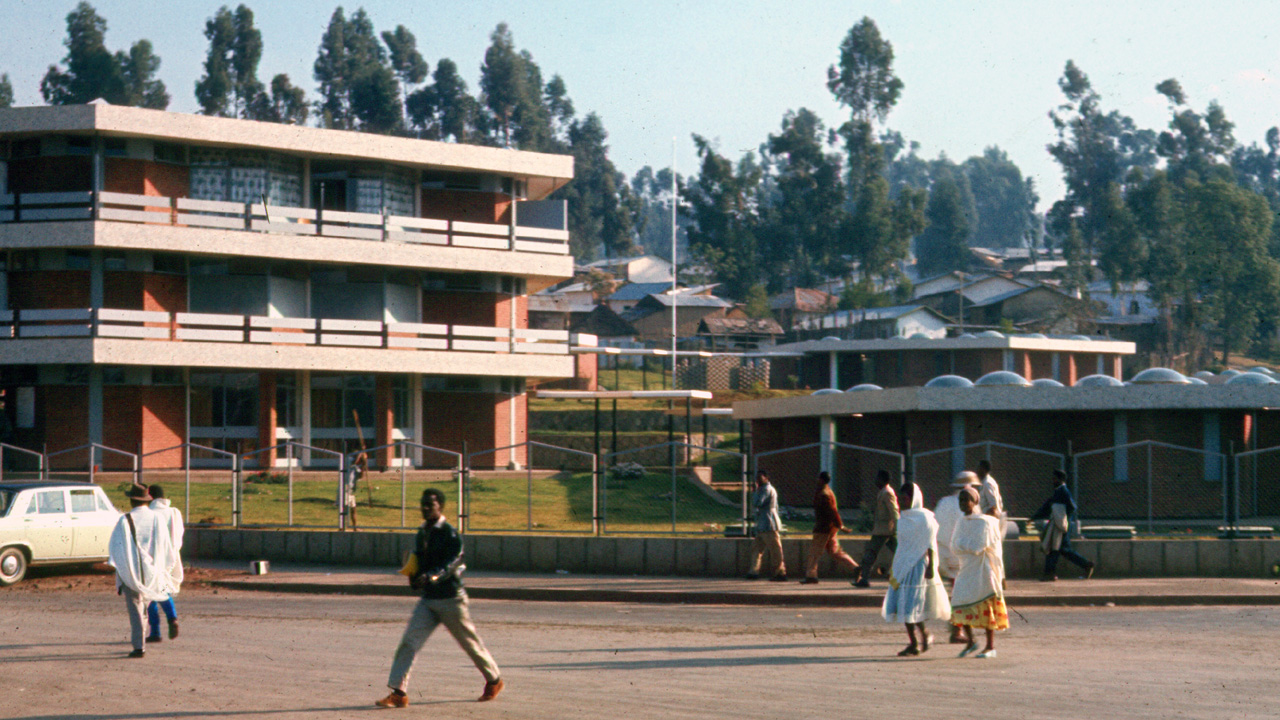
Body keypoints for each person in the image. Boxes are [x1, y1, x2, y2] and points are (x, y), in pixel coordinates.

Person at [377, 489, 503, 708]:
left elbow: (454, 563)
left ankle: (494, 680)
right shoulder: (422, 532)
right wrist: (414, 577)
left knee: (470, 644)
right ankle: (398, 693)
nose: (425, 508)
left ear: (440, 507)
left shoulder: (449, 533)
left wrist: (432, 576)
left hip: (451, 599)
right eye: (423, 504)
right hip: (428, 600)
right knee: (409, 642)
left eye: (430, 505)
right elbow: (417, 560)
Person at [106, 484, 179, 658]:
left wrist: (120, 577)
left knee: (136, 610)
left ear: (131, 500)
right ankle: (167, 621)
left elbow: (116, 549)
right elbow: (166, 547)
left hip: (131, 572)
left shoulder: (125, 520)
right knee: (147, 606)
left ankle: (139, 646)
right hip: (152, 572)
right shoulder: (156, 519)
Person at [881, 483, 951, 656]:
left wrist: (931, 567)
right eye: (900, 498)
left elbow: (930, 545)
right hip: (902, 565)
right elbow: (902, 546)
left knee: (911, 606)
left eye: (905, 498)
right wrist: (894, 566)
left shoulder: (925, 519)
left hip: (918, 566)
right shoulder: (903, 519)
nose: (902, 502)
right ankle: (919, 638)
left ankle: (918, 640)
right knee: (905, 607)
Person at [949, 486, 1008, 659]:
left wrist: (963, 544)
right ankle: (971, 641)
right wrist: (964, 545)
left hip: (983, 570)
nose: (963, 503)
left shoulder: (985, 522)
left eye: (966, 499)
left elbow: (977, 547)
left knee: (985, 606)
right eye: (960, 500)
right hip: (966, 568)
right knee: (960, 602)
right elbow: (954, 546)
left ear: (975, 501)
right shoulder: (961, 522)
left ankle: (990, 646)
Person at [935, 471, 979, 643]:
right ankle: (956, 630)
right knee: (960, 595)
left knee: (956, 592)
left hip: (944, 554)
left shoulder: (944, 502)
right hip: (961, 557)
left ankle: (956, 627)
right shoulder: (970, 505)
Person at [1030, 469, 1095, 581]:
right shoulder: (1058, 491)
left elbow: (1072, 507)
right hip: (1059, 525)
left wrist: (1063, 519)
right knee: (1061, 549)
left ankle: (1050, 573)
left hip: (1062, 526)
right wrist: (1034, 517)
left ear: (1060, 480)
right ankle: (1085, 565)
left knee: (1056, 548)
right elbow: (1047, 506)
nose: (1053, 481)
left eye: (1055, 478)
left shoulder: (1063, 491)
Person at [801, 471, 860, 584]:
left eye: (818, 478)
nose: (817, 480)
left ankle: (811, 576)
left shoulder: (824, 494)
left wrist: (840, 525)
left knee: (814, 552)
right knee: (835, 552)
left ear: (821, 480)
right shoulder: (828, 491)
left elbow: (832, 511)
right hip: (830, 528)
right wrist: (838, 526)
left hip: (823, 528)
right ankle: (855, 567)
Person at [145, 485, 185, 643]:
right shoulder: (174, 512)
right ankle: (172, 617)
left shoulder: (150, 514)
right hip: (172, 556)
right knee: (163, 588)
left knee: (149, 594)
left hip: (153, 558)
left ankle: (155, 631)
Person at [853, 469, 899, 588]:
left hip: (884, 531)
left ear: (883, 480)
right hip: (886, 530)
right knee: (899, 552)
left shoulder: (887, 493)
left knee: (870, 552)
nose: (875, 480)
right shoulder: (883, 492)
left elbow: (894, 511)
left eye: (877, 478)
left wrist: (898, 526)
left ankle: (864, 579)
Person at [746, 471, 787, 581]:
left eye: (760, 477)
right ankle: (753, 571)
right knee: (756, 548)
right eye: (757, 477)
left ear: (767, 478)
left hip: (768, 523)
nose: (758, 480)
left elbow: (758, 503)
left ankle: (780, 572)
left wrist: (754, 491)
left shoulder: (766, 489)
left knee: (775, 549)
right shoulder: (766, 489)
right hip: (763, 523)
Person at [976, 460, 1008, 538]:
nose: (977, 470)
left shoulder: (987, 483)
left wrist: (985, 520)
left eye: (978, 468)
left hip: (989, 523)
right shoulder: (984, 482)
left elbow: (993, 506)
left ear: (983, 469)